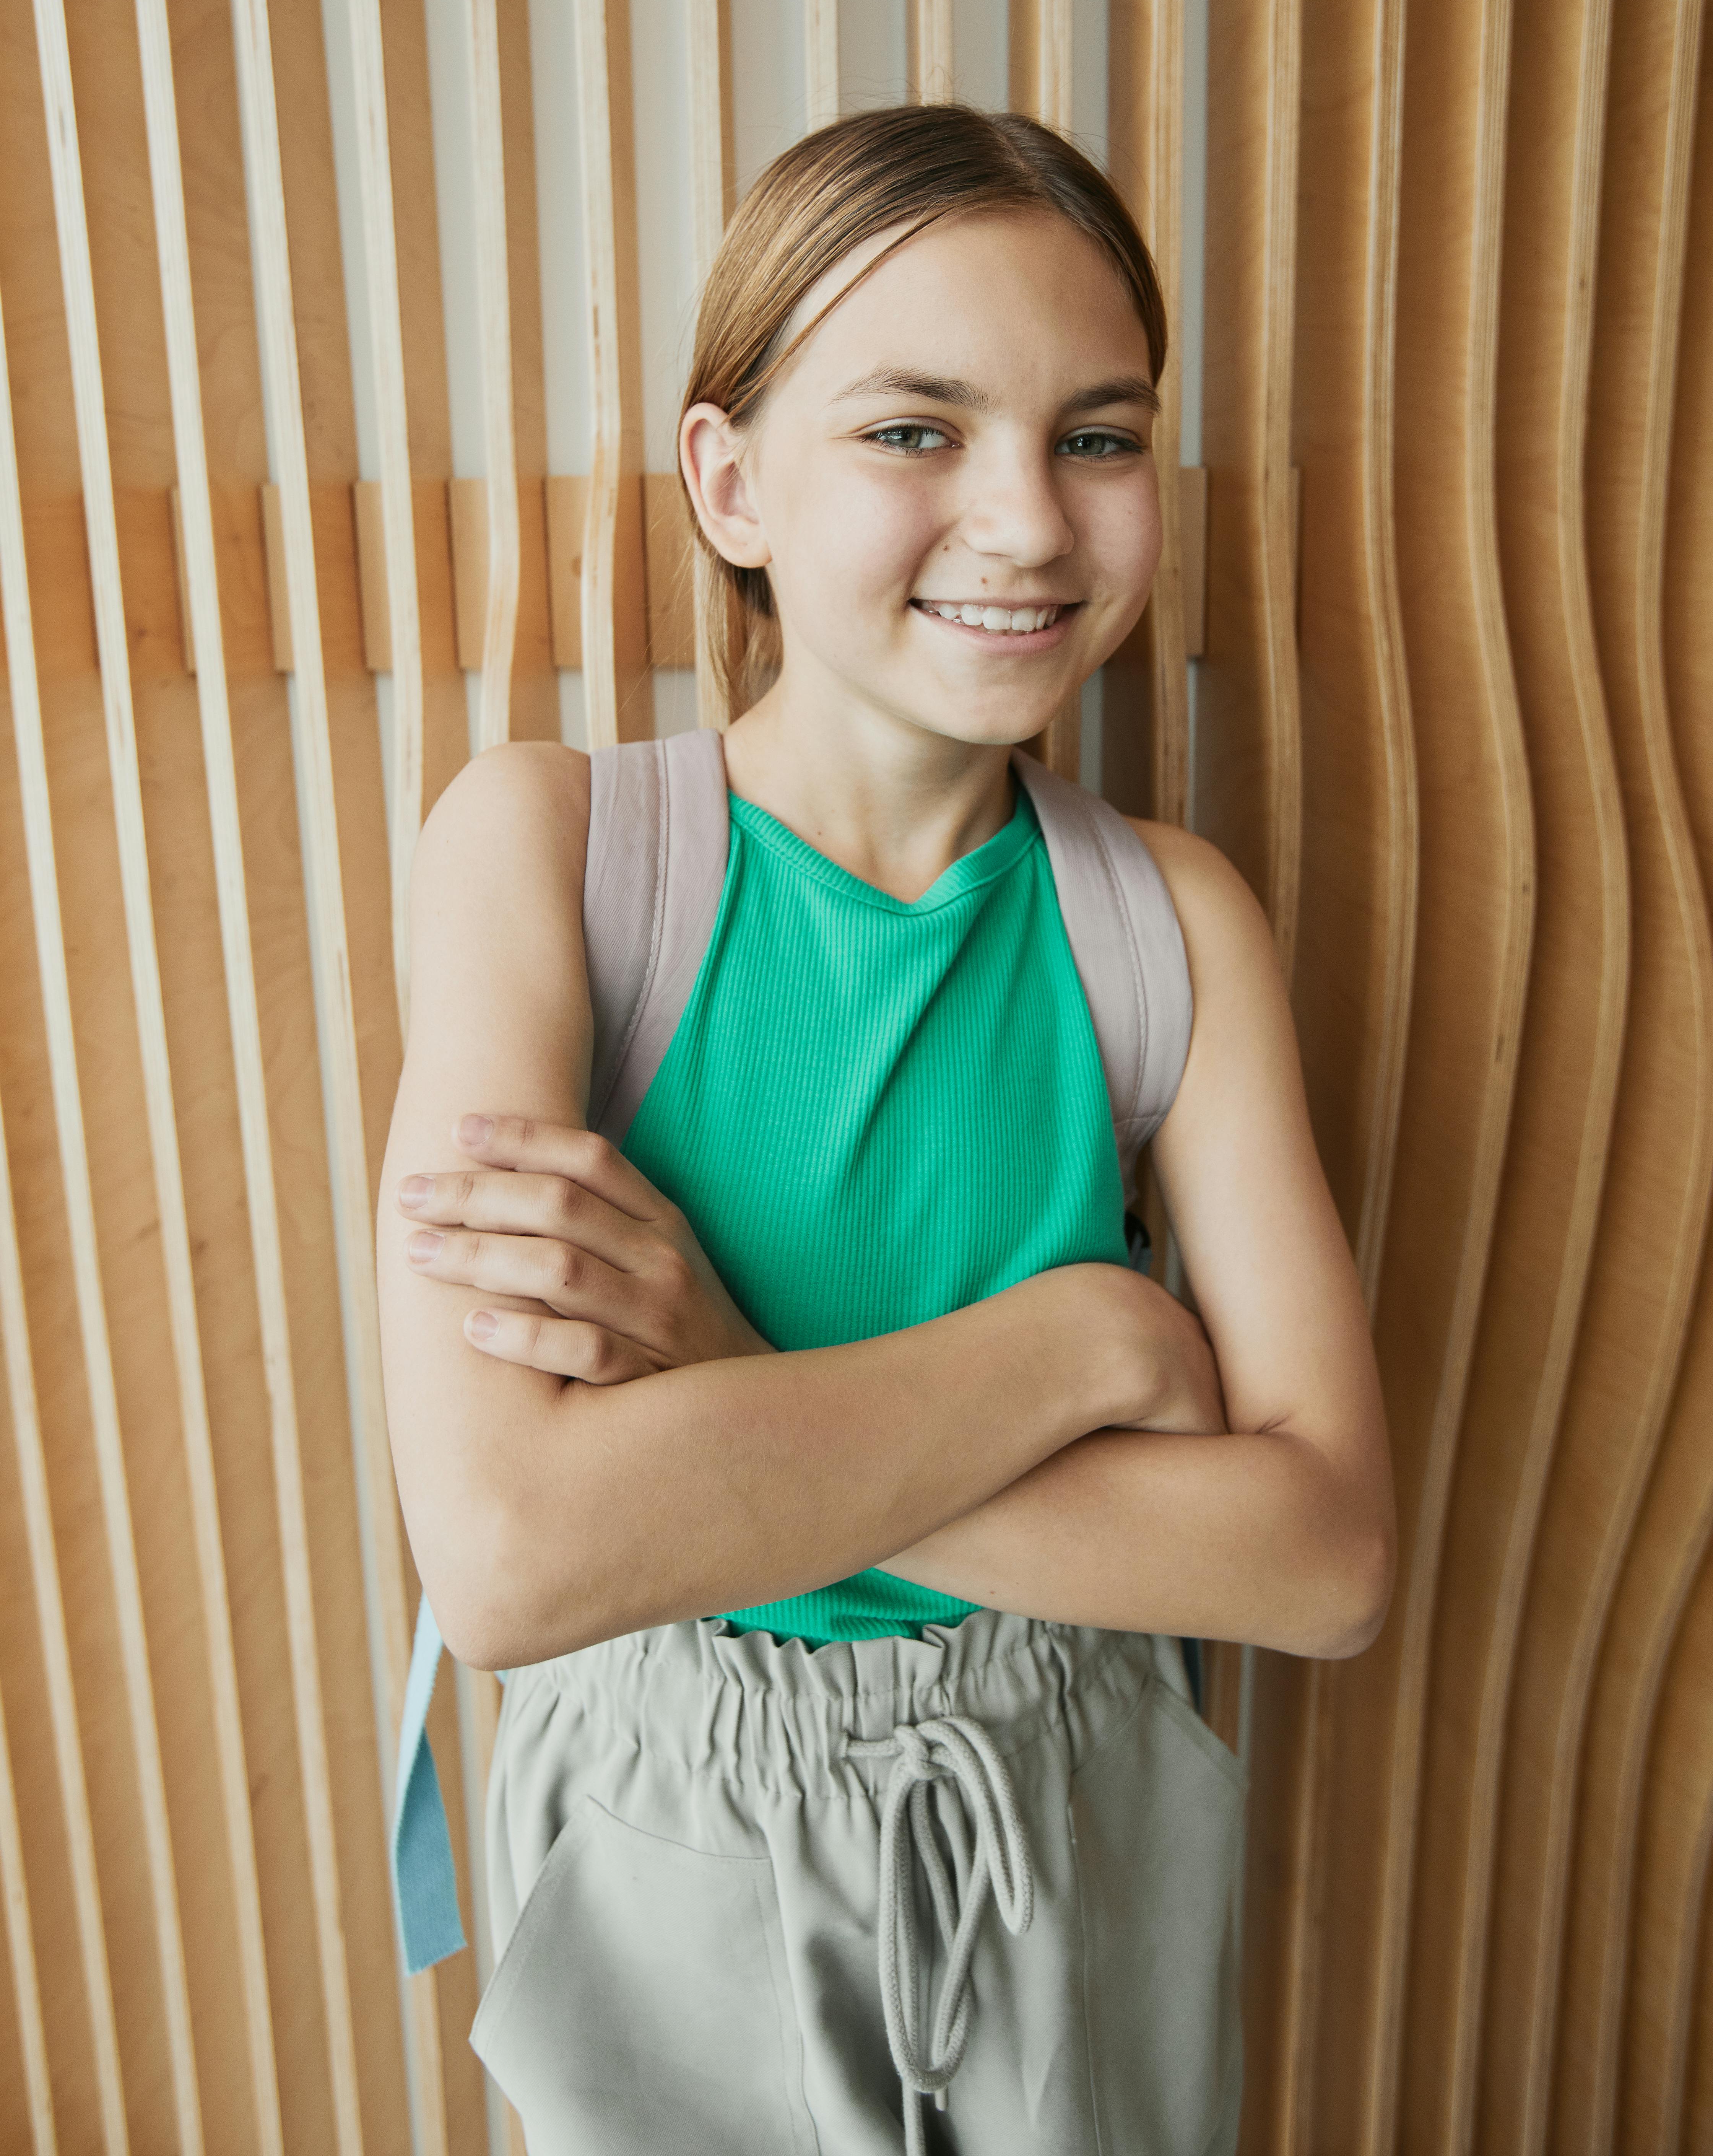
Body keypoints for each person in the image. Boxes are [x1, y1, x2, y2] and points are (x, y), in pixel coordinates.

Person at [376, 103, 1394, 2156]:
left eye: (1098, 438)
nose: (1025, 520)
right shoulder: (554, 852)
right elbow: (512, 1557)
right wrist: (1079, 1354)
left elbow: (1325, 1559)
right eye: (916, 432)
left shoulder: (1170, 926)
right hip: (674, 1820)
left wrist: (737, 1396)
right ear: (731, 482)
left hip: (1066, 1797)